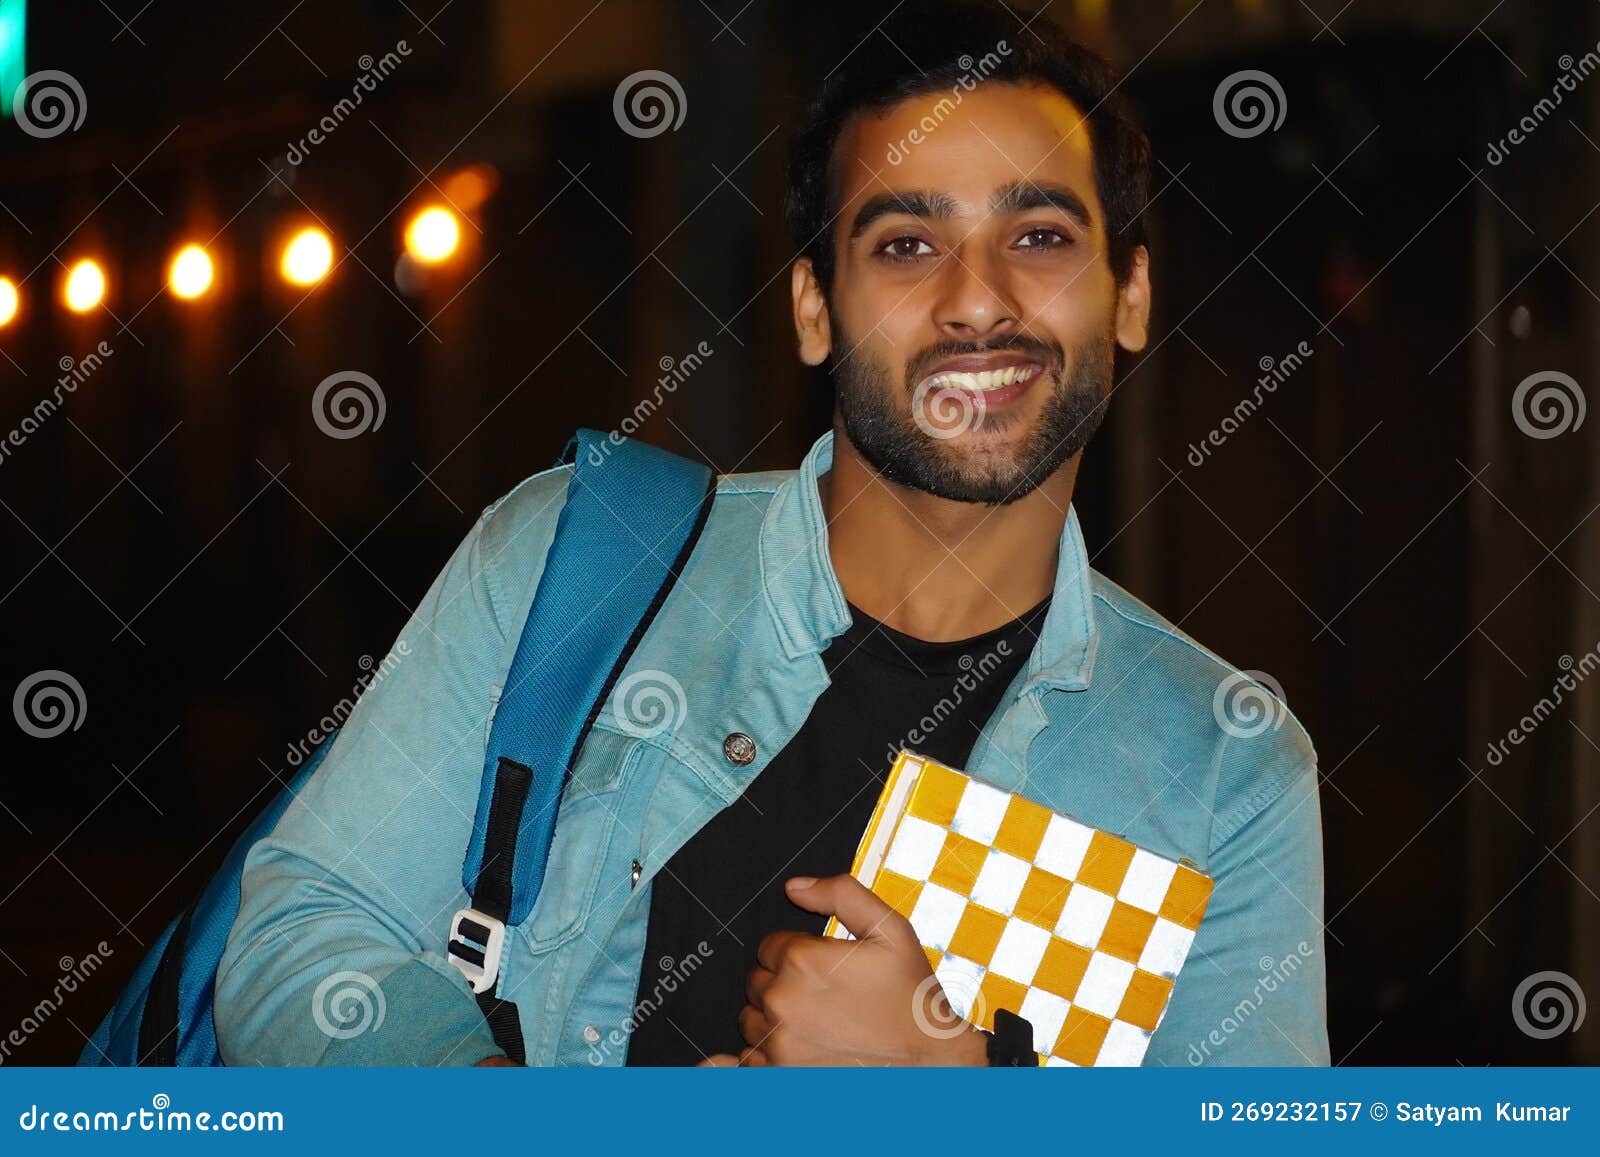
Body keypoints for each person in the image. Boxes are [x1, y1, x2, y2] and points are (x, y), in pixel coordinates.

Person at [215, 0, 1328, 1067]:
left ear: (1129, 293)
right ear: (813, 309)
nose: (978, 300)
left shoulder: (1220, 764)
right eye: (906, 244)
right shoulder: (577, 561)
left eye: (1039, 235)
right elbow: (298, 941)